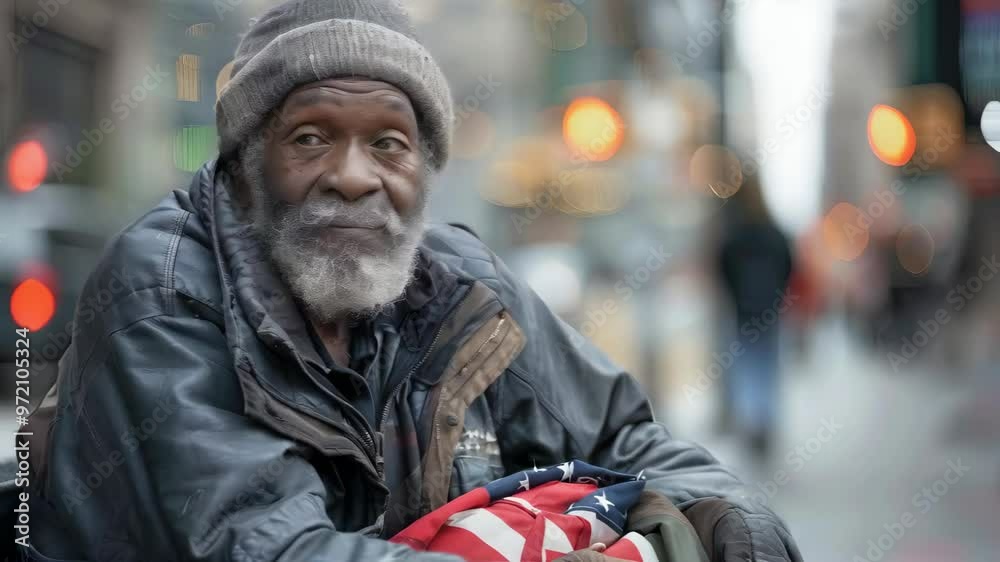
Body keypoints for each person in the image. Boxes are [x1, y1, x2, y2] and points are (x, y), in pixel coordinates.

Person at [25, 1, 801, 560]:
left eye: (389, 144)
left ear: (423, 170)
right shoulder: (163, 291)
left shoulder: (463, 284)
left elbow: (623, 437)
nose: (354, 176)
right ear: (245, 164)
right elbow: (263, 547)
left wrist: (737, 525)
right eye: (310, 137)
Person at [716, 174, 794, 457]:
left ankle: (753, 422)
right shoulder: (774, 232)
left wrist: (735, 295)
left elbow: (722, 266)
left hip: (743, 311)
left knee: (746, 365)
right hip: (769, 309)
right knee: (767, 366)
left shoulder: (734, 232)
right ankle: (764, 421)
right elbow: (789, 264)